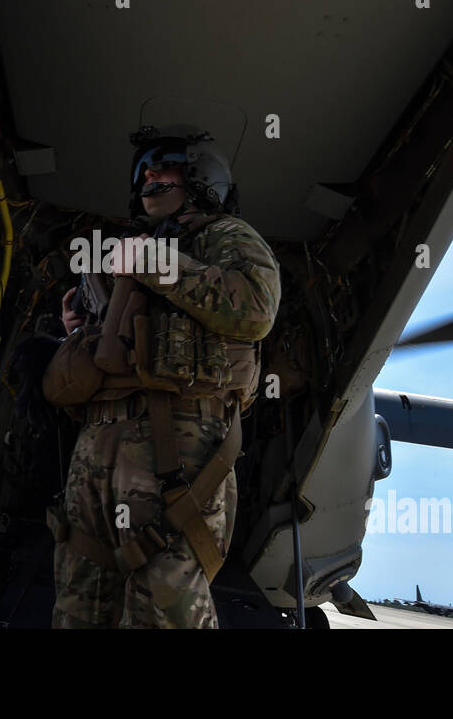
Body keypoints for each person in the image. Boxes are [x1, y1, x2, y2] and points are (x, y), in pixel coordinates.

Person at [47, 124, 281, 628]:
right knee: (78, 601)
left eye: (165, 165)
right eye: (144, 171)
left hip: (176, 448)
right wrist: (82, 331)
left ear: (200, 178)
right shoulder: (139, 248)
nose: (149, 175)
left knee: (164, 607)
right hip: (100, 444)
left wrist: (153, 262)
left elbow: (256, 308)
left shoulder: (225, 235)